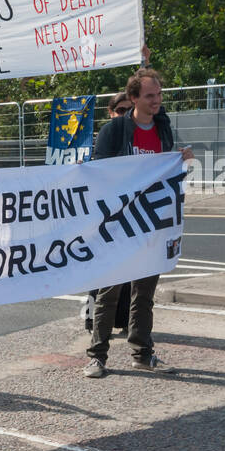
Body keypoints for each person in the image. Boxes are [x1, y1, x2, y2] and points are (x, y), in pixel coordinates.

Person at [83, 68, 193, 379]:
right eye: (149, 96)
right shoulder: (115, 130)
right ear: (134, 99)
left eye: (159, 95)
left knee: (144, 294)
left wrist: (179, 158)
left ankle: (143, 354)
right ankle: (97, 356)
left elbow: (164, 169)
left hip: (153, 223)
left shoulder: (163, 126)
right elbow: (100, 172)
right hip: (120, 224)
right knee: (109, 291)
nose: (156, 101)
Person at [83, 93, 133, 334]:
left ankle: (123, 320)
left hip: (130, 210)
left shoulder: (135, 134)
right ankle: (93, 319)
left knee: (128, 270)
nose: (124, 114)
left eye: (128, 109)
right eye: (120, 110)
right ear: (111, 112)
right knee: (101, 270)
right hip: (105, 210)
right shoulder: (109, 133)